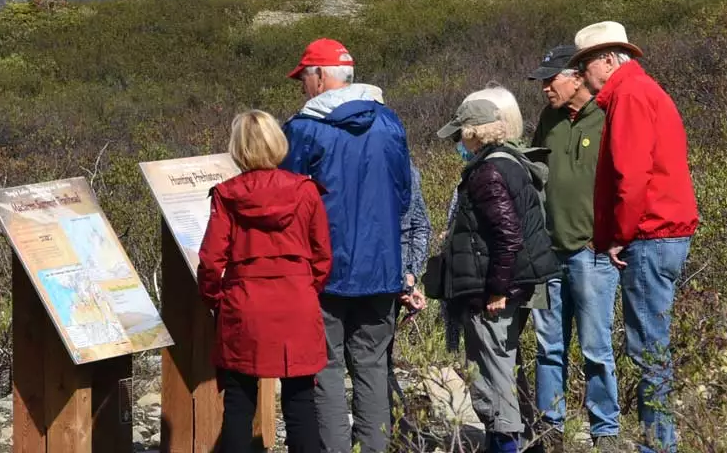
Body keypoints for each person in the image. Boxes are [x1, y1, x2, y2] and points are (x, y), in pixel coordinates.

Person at [570, 22, 699, 453]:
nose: (582, 76)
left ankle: (658, 446)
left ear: (608, 60)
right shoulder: (642, 92)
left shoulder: (629, 96)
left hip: (649, 236)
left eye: (585, 65)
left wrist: (618, 236)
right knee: (652, 350)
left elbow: (631, 175)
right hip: (661, 234)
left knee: (648, 354)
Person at [281, 38, 414, 453]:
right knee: (373, 367)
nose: (303, 86)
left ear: (321, 76)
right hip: (382, 269)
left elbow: (287, 200)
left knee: (327, 368)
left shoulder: (302, 129)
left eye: (304, 77)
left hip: (325, 273)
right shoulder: (389, 123)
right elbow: (404, 195)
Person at [199, 110, 333, 453]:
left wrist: (214, 299)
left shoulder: (227, 195)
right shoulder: (306, 190)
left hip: (244, 303)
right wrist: (305, 287)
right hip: (297, 301)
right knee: (301, 403)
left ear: (238, 149)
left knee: (239, 405)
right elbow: (323, 256)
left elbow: (211, 260)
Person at [436, 87, 558, 453]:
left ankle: (506, 445)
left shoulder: (488, 172)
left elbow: (508, 235)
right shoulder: (511, 162)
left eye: (460, 134)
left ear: (474, 132)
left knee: (493, 377)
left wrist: (497, 289)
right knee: (500, 371)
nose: (458, 141)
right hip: (506, 284)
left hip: (493, 291)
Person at [528, 45, 622, 453]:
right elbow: (533, 172)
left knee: (596, 347)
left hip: (592, 252)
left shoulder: (608, 116)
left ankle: (606, 432)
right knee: (548, 346)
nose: (545, 88)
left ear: (577, 76)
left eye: (552, 79)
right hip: (549, 250)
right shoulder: (548, 118)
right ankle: (550, 430)